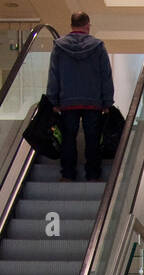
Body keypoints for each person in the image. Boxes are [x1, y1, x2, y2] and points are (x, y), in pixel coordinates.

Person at [46, 12, 114, 182]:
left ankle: (68, 174)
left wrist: (52, 100)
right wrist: (107, 101)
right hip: (94, 101)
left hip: (67, 101)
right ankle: (92, 175)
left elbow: (54, 74)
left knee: (68, 138)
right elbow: (106, 75)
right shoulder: (98, 46)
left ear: (71, 26)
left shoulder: (59, 47)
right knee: (92, 138)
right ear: (88, 25)